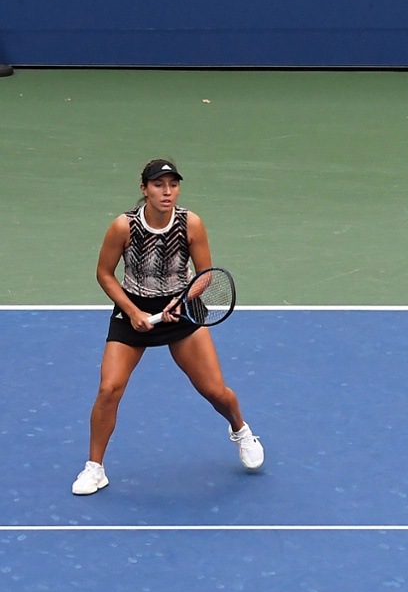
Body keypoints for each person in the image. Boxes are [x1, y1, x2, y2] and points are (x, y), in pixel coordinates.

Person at [72, 159, 264, 495]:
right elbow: (104, 273)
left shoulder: (191, 224)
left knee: (215, 391)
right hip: (133, 310)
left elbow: (204, 275)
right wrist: (132, 311)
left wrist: (181, 301)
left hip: (181, 311)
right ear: (144, 189)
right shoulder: (123, 227)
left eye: (173, 185)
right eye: (159, 185)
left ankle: (241, 430)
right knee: (109, 389)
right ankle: (95, 468)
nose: (167, 191)